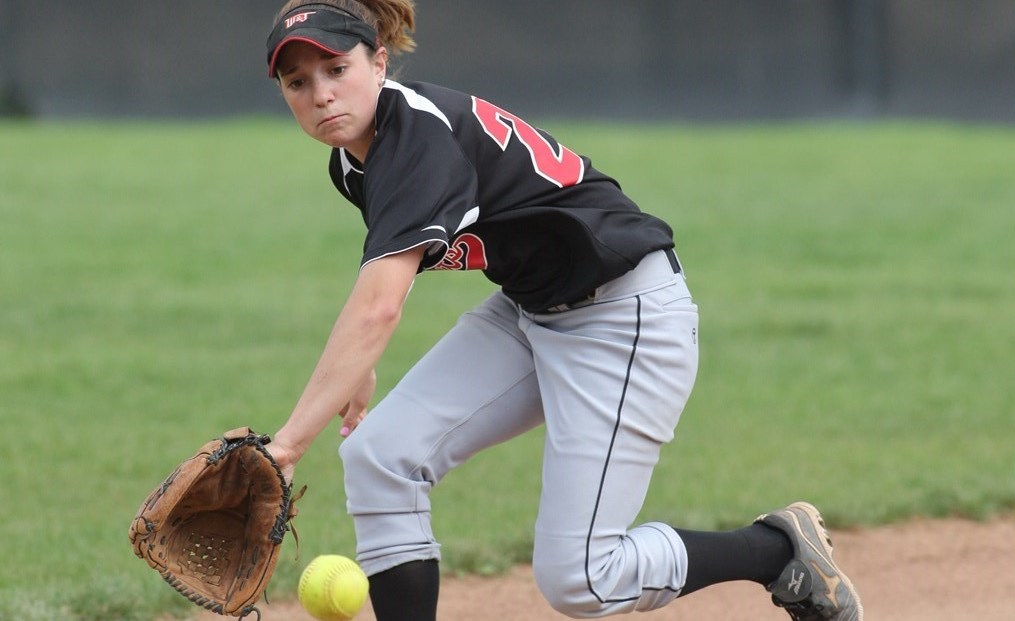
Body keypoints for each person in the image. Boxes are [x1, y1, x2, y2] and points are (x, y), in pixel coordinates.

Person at [261, 1, 863, 620]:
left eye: (336, 69)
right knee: (378, 457)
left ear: (379, 62)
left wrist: (285, 449)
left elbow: (376, 310)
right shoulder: (358, 155)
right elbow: (396, 266)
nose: (322, 95)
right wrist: (357, 370)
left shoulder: (416, 137)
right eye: (298, 82)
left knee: (582, 578)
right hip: (533, 309)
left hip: (625, 317)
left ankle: (776, 550)